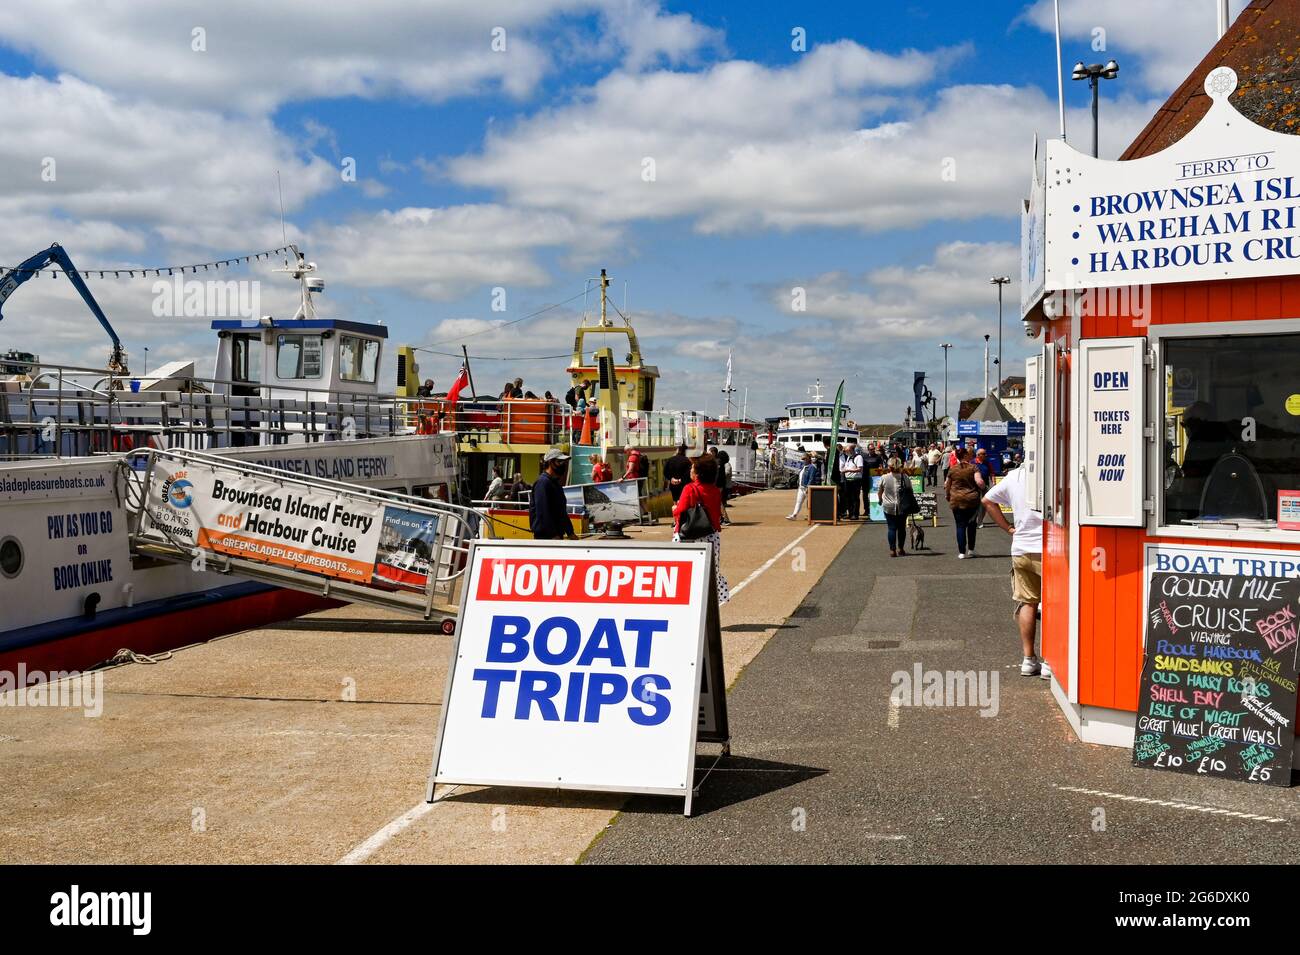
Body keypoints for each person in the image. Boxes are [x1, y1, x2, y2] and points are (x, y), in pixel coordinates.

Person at [981, 461, 1047, 679]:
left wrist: (1009, 527)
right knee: (1055, 606)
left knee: (1028, 603)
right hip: (1049, 548)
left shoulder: (1014, 477)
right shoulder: (1053, 471)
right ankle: (1050, 661)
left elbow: (987, 500)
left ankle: (1028, 659)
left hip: (1021, 548)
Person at [672, 453, 730, 605]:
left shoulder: (689, 489)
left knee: (684, 574)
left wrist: (674, 509)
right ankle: (709, 603)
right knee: (710, 573)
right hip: (711, 535)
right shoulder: (715, 491)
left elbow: (681, 511)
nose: (690, 471)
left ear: (697, 473)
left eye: (692, 469)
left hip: (689, 536)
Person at [945, 447, 985, 558]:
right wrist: (983, 487)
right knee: (972, 525)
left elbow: (947, 485)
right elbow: (979, 482)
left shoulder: (952, 469)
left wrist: (948, 495)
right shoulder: (973, 468)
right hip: (972, 500)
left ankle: (961, 552)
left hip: (956, 500)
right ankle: (971, 550)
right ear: (966, 455)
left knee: (960, 525)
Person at [529, 449, 578, 540]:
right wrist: (553, 535)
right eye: (560, 462)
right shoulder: (543, 483)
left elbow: (561, 512)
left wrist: (570, 532)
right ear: (551, 462)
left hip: (556, 536)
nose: (563, 465)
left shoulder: (555, 483)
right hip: (546, 538)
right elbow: (543, 512)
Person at [878, 456, 918, 557]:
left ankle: (892, 550)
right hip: (903, 506)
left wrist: (880, 500)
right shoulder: (905, 477)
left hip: (888, 506)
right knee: (901, 528)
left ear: (890, 467)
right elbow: (910, 491)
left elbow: (880, 491)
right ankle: (901, 548)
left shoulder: (884, 477)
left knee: (891, 528)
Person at [786, 451, 821, 520]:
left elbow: (811, 478)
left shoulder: (812, 467)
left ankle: (813, 515)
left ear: (808, 459)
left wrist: (808, 487)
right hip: (801, 488)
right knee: (798, 502)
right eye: (803, 459)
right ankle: (794, 515)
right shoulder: (803, 467)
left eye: (805, 459)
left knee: (811, 503)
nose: (803, 460)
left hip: (807, 488)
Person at [840, 442, 864, 520]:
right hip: (848, 480)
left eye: (847, 451)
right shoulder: (848, 457)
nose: (846, 452)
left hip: (855, 480)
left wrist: (848, 470)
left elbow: (860, 469)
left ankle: (855, 514)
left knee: (855, 497)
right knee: (848, 497)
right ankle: (850, 513)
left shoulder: (858, 457)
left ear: (851, 450)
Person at [973, 448, 994, 527]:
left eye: (985, 454)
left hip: (985, 486)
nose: (986, 455)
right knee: (975, 503)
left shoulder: (987, 463)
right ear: (978, 455)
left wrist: (993, 483)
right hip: (974, 486)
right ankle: (973, 520)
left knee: (983, 503)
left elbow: (992, 473)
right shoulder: (972, 462)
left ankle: (980, 521)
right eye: (984, 454)